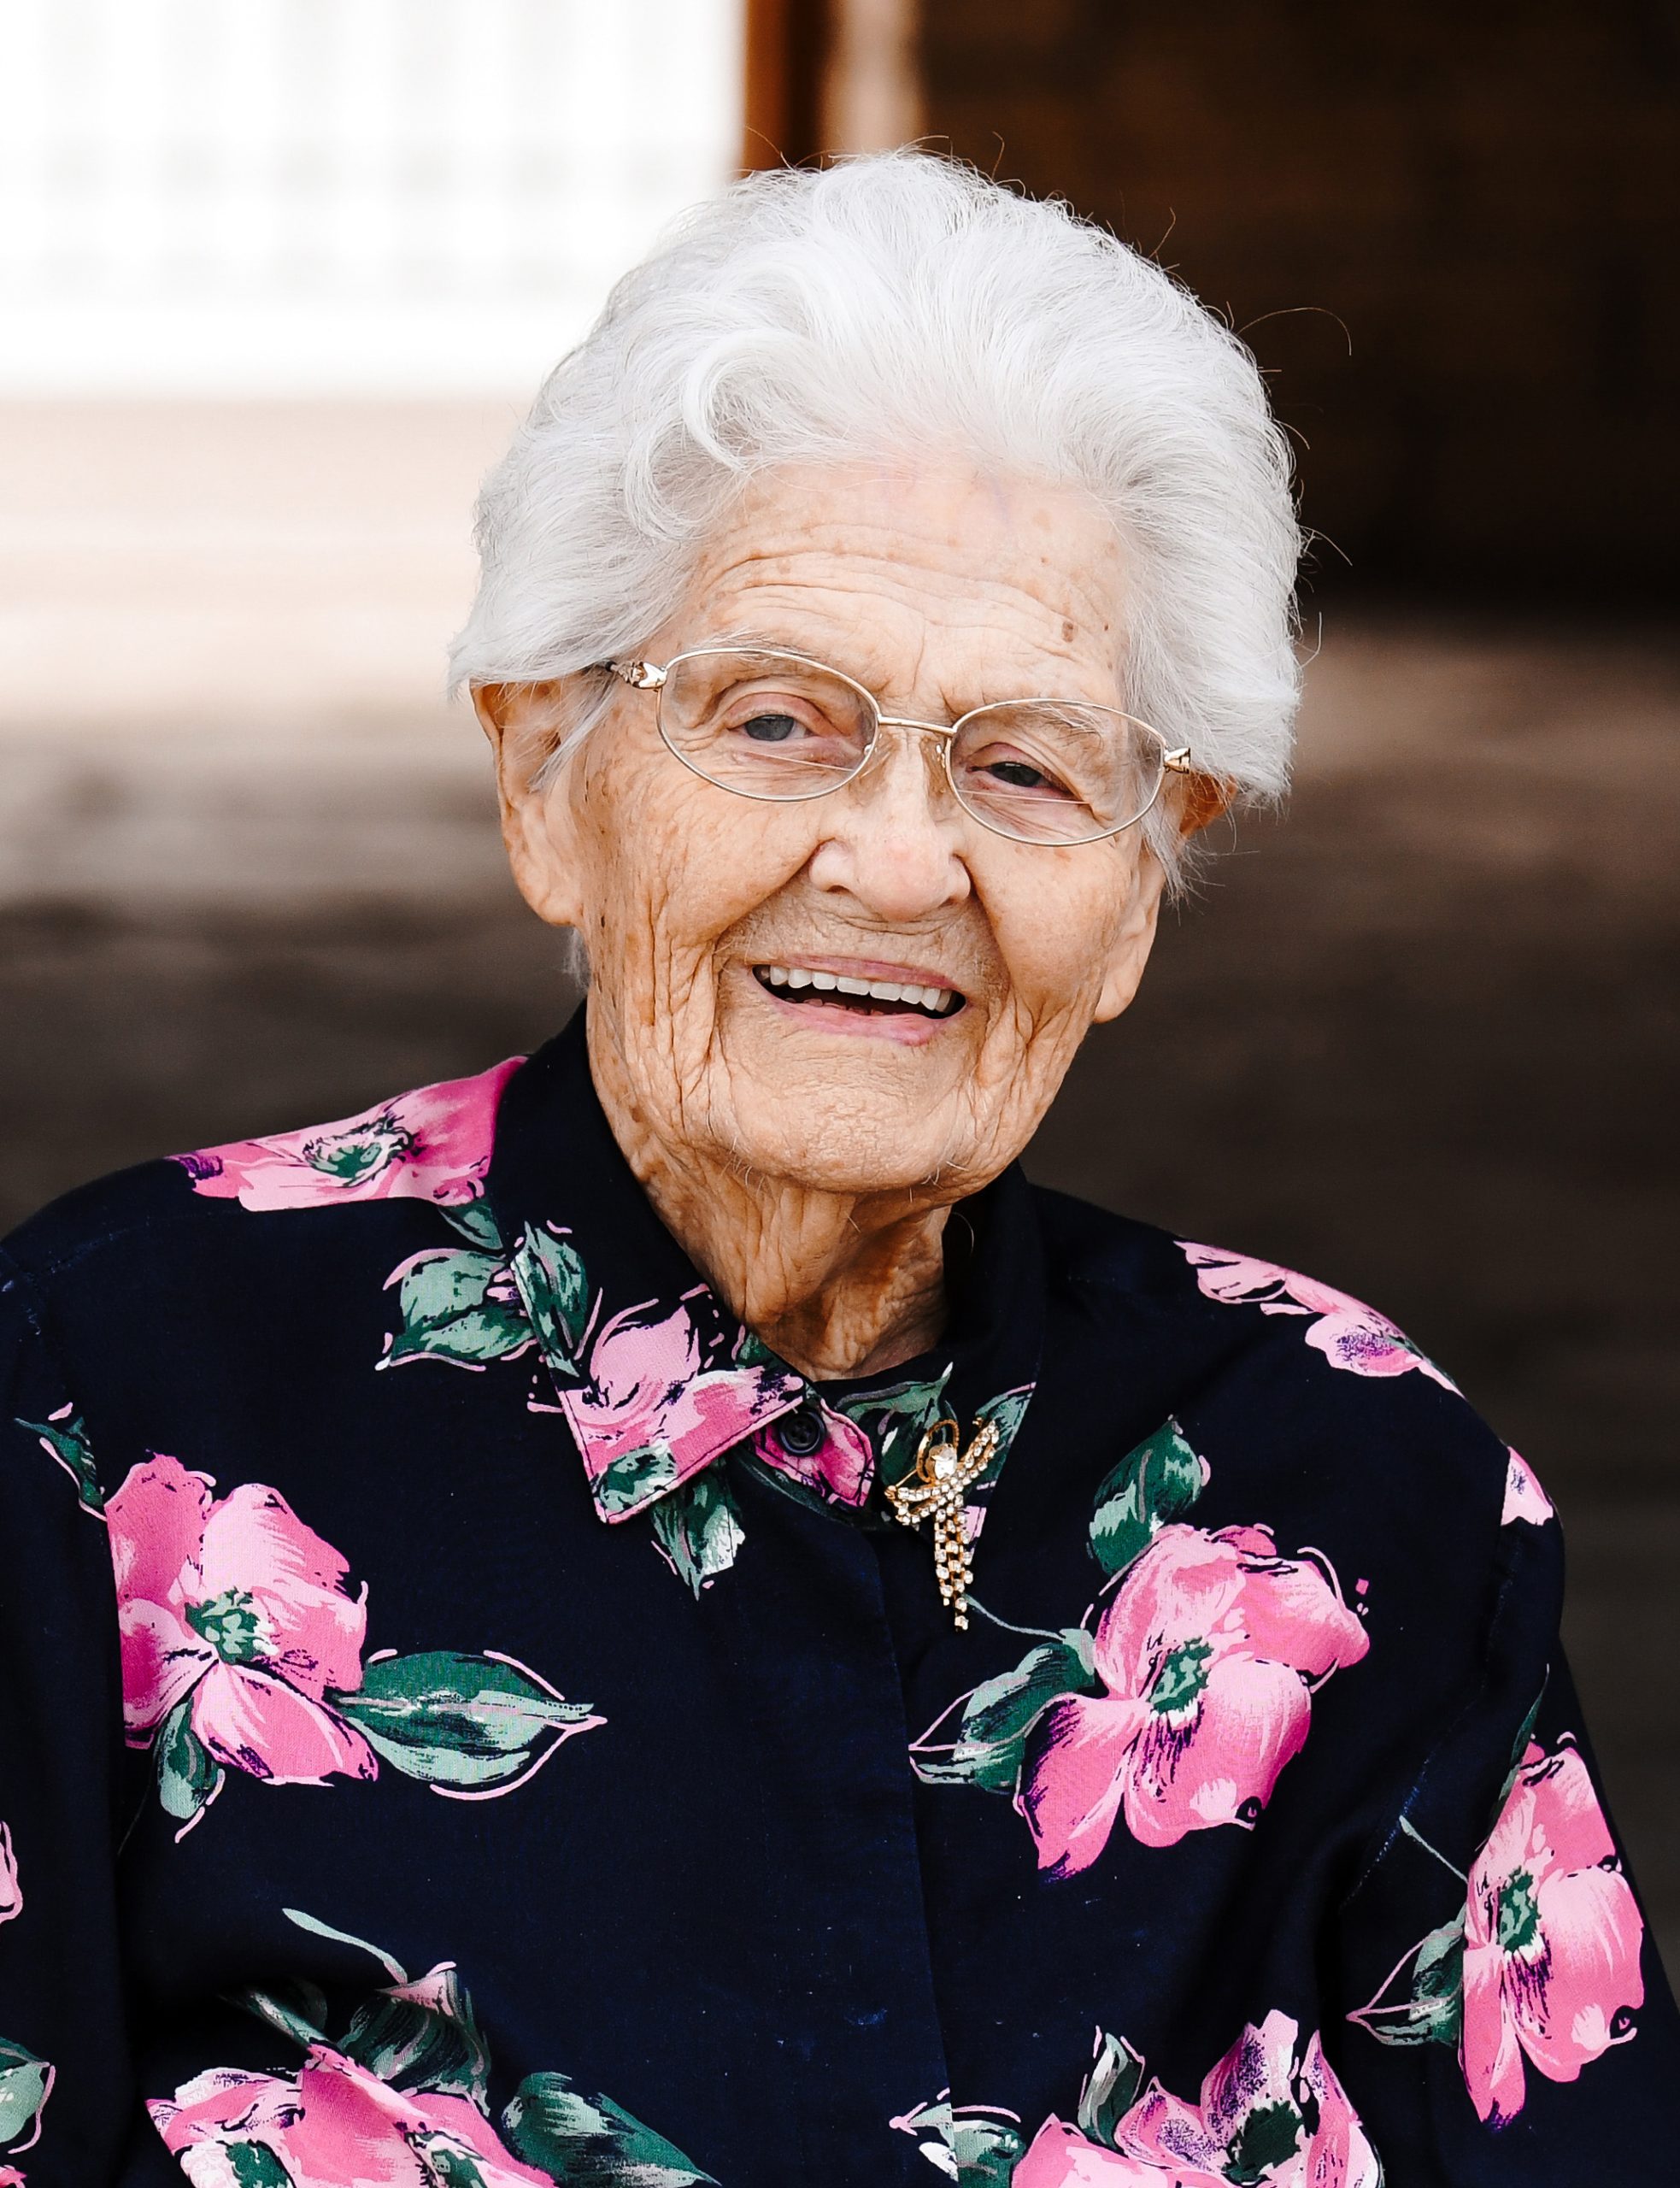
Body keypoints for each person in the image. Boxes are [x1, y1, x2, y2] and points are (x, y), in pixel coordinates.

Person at [0, 152, 1671, 2188]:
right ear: (547, 780)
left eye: (1025, 763)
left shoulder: (1361, 1487)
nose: (898, 860)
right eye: (777, 720)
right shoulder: (104, 1411)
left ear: (1140, 880)